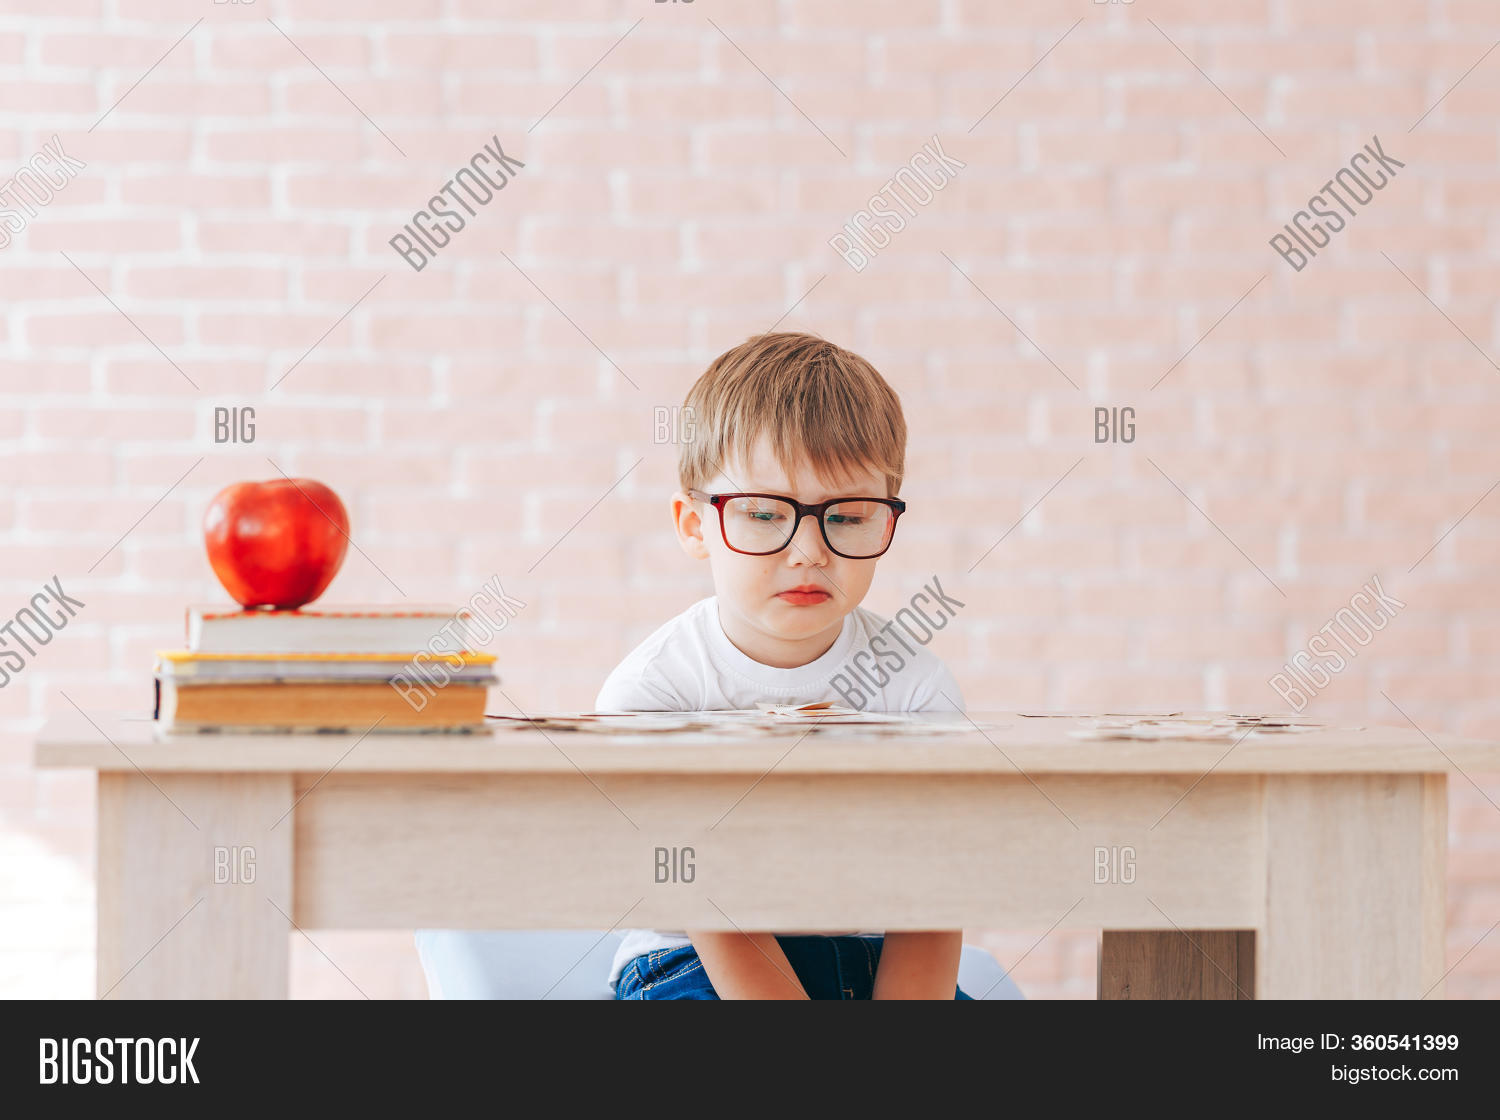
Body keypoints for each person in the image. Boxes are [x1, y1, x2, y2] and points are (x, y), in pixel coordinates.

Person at [597, 331, 971, 1000]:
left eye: (849, 517)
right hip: (691, 961)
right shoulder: (655, 690)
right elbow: (704, 896)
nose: (807, 551)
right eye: (765, 514)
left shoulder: (915, 686)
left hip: (868, 957)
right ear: (693, 525)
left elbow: (934, 897)